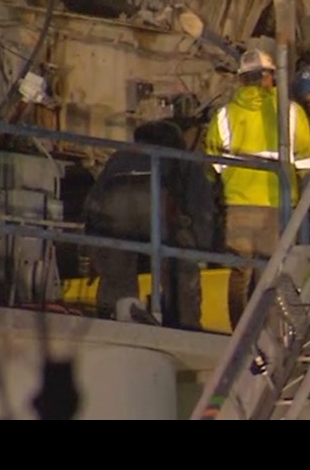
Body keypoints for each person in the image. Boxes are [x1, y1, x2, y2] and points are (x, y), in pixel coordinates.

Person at [206, 48, 310, 330]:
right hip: (277, 204)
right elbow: (306, 161)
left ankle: (240, 332)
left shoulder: (223, 115)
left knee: (240, 272)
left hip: (239, 205)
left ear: (242, 80)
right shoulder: (291, 112)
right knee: (273, 270)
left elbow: (214, 165)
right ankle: (270, 331)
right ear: (269, 77)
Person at [83, 119, 216, 330]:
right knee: (180, 268)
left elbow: (93, 202)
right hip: (161, 212)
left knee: (117, 273)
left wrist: (92, 247)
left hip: (115, 216)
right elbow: (201, 205)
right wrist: (201, 247)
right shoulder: (182, 159)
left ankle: (116, 315)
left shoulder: (119, 158)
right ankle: (184, 324)